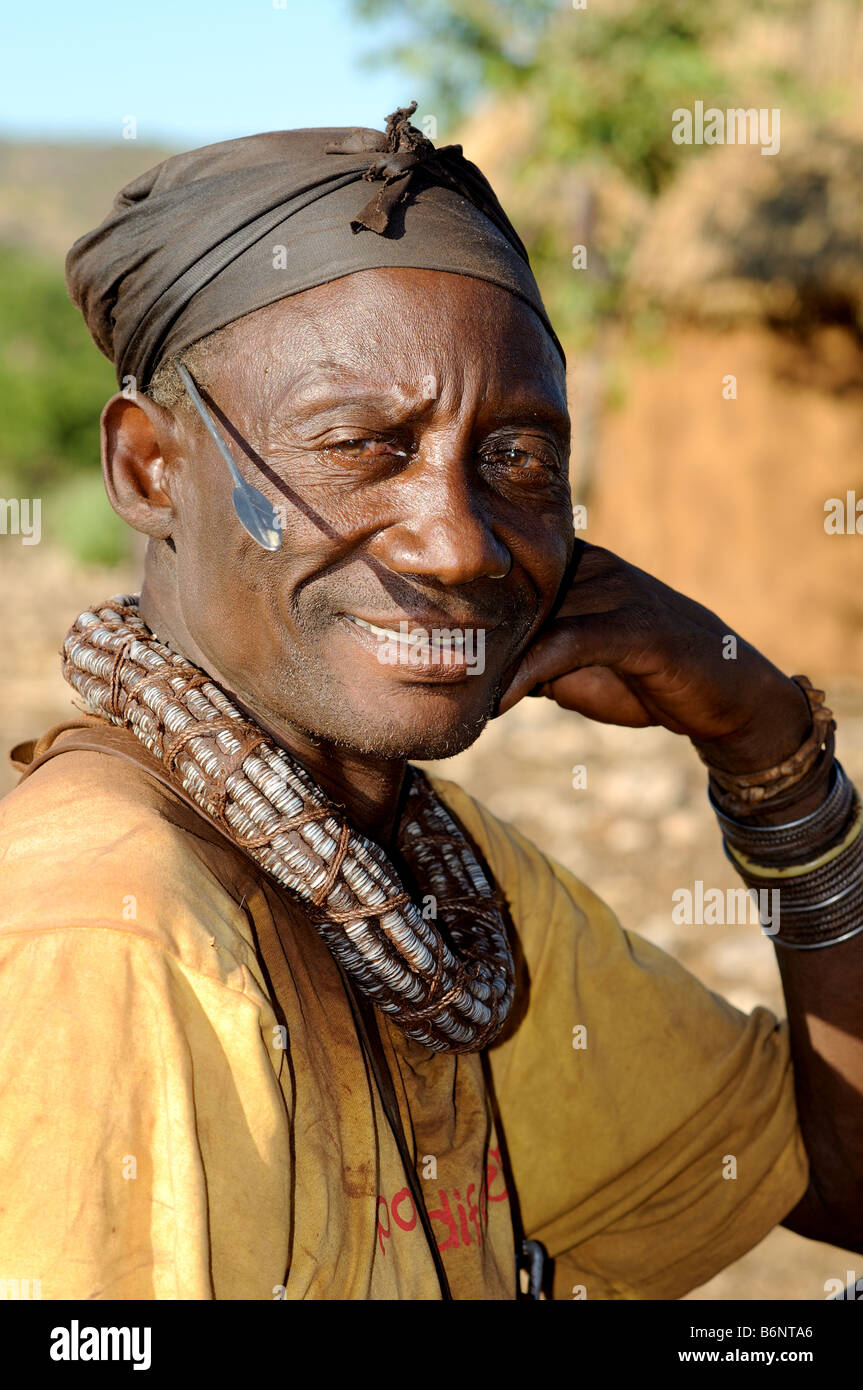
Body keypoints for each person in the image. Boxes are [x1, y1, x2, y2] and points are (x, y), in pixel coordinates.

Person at [0, 105, 861, 1302]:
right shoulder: (110, 933)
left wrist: (772, 756)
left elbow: (833, 1173)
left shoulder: (442, 888)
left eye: (515, 458)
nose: (459, 545)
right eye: (361, 444)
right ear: (152, 470)